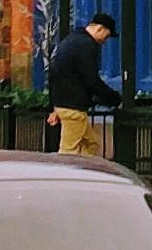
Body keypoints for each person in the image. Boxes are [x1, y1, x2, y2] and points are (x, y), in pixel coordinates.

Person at [45, 14, 120, 159]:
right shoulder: (87, 45)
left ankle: (84, 173)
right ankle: (64, 178)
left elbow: (54, 73)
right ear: (100, 29)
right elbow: (91, 80)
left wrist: (53, 106)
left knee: (90, 144)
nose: (105, 42)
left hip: (64, 104)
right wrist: (114, 99)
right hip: (74, 109)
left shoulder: (71, 39)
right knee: (68, 151)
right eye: (107, 36)